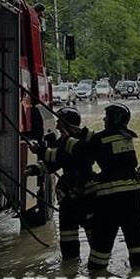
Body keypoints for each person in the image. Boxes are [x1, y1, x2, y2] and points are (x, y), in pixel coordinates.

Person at [72, 103, 140, 271]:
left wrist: (89, 179)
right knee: (138, 245)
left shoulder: (101, 139)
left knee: (101, 247)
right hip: (134, 199)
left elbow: (84, 153)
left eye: (106, 117)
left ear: (113, 119)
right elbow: (108, 148)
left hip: (110, 202)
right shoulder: (127, 137)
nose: (103, 119)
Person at [40, 107, 94, 261]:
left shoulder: (82, 143)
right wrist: (36, 169)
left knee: (95, 239)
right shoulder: (63, 141)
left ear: (67, 125)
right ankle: (71, 268)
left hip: (84, 196)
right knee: (67, 240)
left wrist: (42, 150)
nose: (56, 126)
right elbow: (54, 163)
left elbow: (62, 156)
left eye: (59, 123)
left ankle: (95, 270)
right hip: (68, 198)